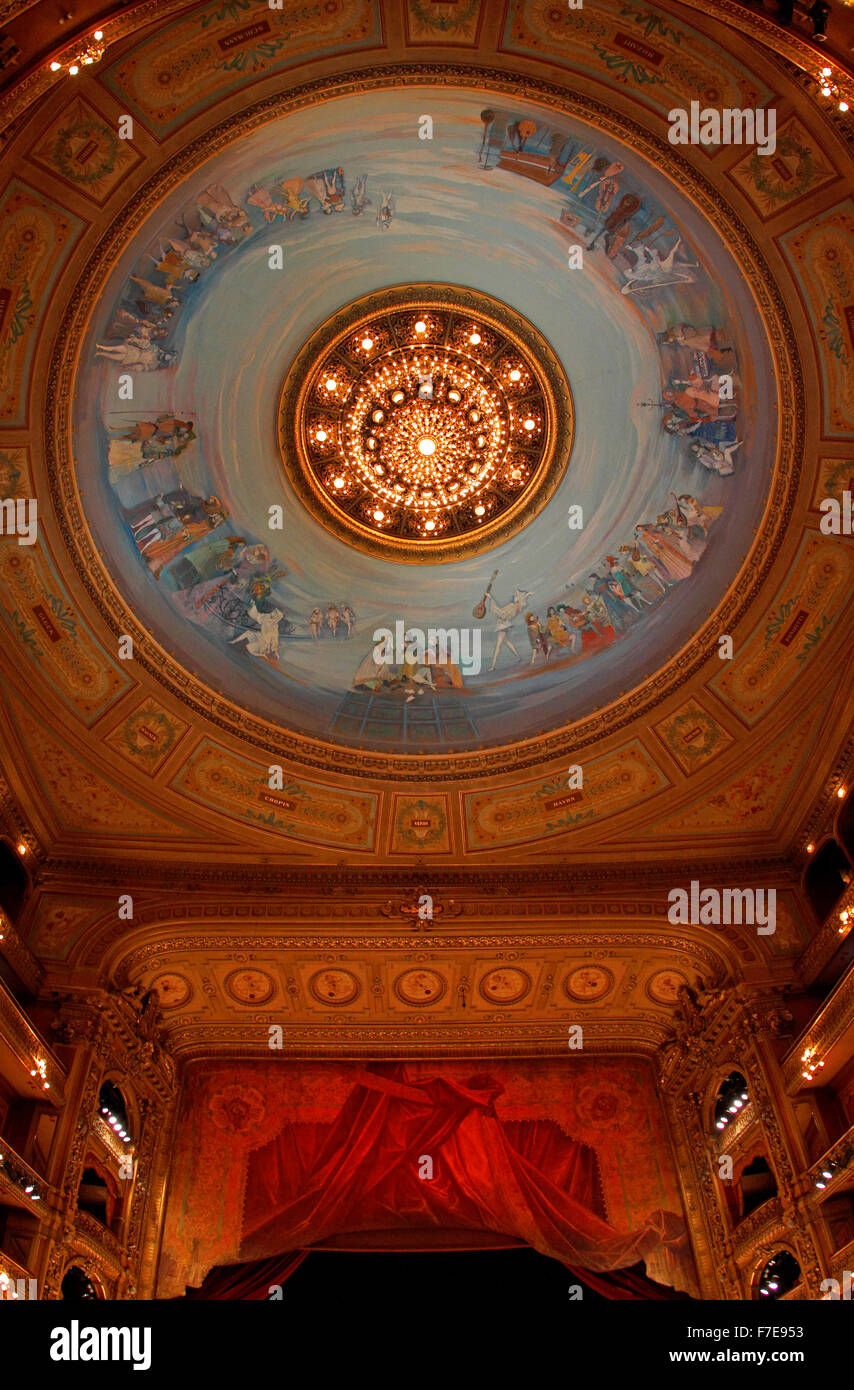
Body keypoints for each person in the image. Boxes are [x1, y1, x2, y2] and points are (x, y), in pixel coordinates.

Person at [486, 587, 531, 670]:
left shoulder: (513, 606)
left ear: (518, 599)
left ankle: (492, 666)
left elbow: (501, 613)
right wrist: (526, 595)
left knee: (498, 646)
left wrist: (491, 599)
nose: (514, 597)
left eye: (515, 596)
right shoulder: (517, 608)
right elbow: (503, 613)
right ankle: (517, 656)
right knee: (507, 642)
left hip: (503, 625)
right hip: (503, 624)